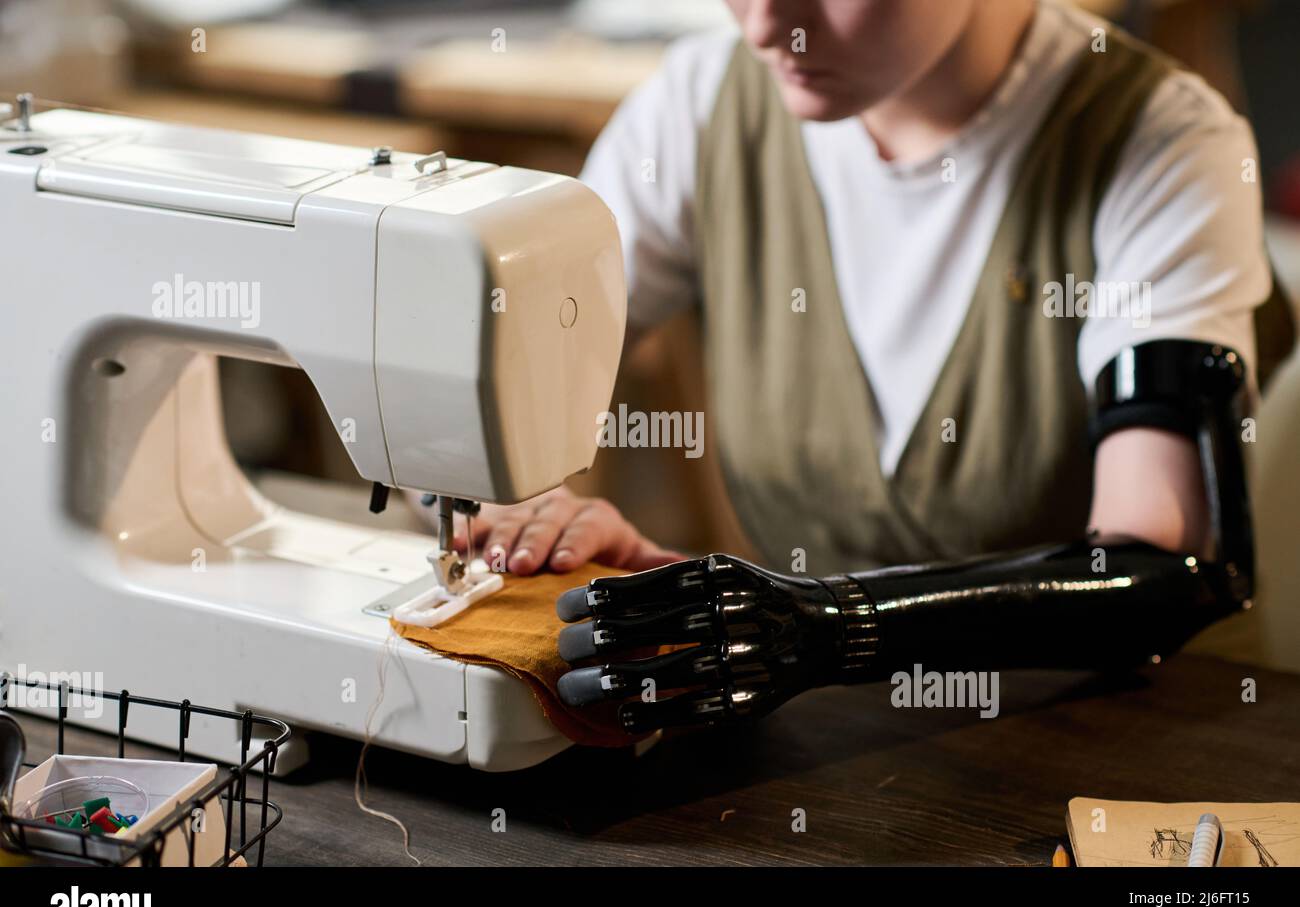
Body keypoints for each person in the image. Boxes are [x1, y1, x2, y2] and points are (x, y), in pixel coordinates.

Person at [431, 0, 1294, 731]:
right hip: (838, 740)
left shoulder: (1163, 142)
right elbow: (494, 381)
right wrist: (539, 519)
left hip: (1123, 735)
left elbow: (1152, 563)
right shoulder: (701, 107)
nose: (770, 26)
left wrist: (821, 625)